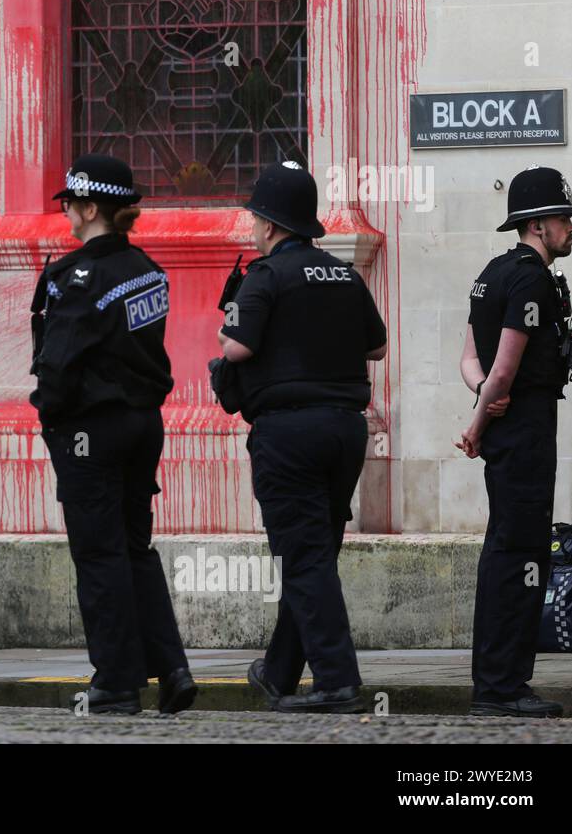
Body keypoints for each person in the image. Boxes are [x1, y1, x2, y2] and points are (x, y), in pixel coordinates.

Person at [218, 161, 386, 715]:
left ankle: (339, 683)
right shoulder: (343, 274)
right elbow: (377, 347)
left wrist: (231, 327)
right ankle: (280, 672)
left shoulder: (264, 277)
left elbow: (236, 349)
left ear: (268, 225)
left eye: (253, 218)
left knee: (305, 558)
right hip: (345, 431)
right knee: (313, 555)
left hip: (289, 434)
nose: (251, 228)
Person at [31, 153, 196, 716]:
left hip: (91, 429)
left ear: (92, 207)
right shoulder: (148, 270)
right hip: (143, 424)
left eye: (72, 203)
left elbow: (57, 364)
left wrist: (50, 418)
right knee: (134, 549)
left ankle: (117, 682)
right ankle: (171, 669)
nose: (68, 214)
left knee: (100, 555)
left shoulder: (75, 277)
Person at [456, 165, 572, 718]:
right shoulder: (530, 278)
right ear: (536, 224)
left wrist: (481, 401)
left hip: (509, 429)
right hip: (525, 431)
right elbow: (503, 373)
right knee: (522, 555)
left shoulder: (492, 271)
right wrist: (479, 423)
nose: (571, 228)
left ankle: (495, 681)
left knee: (503, 552)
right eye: (562, 218)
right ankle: (504, 687)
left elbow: (471, 362)